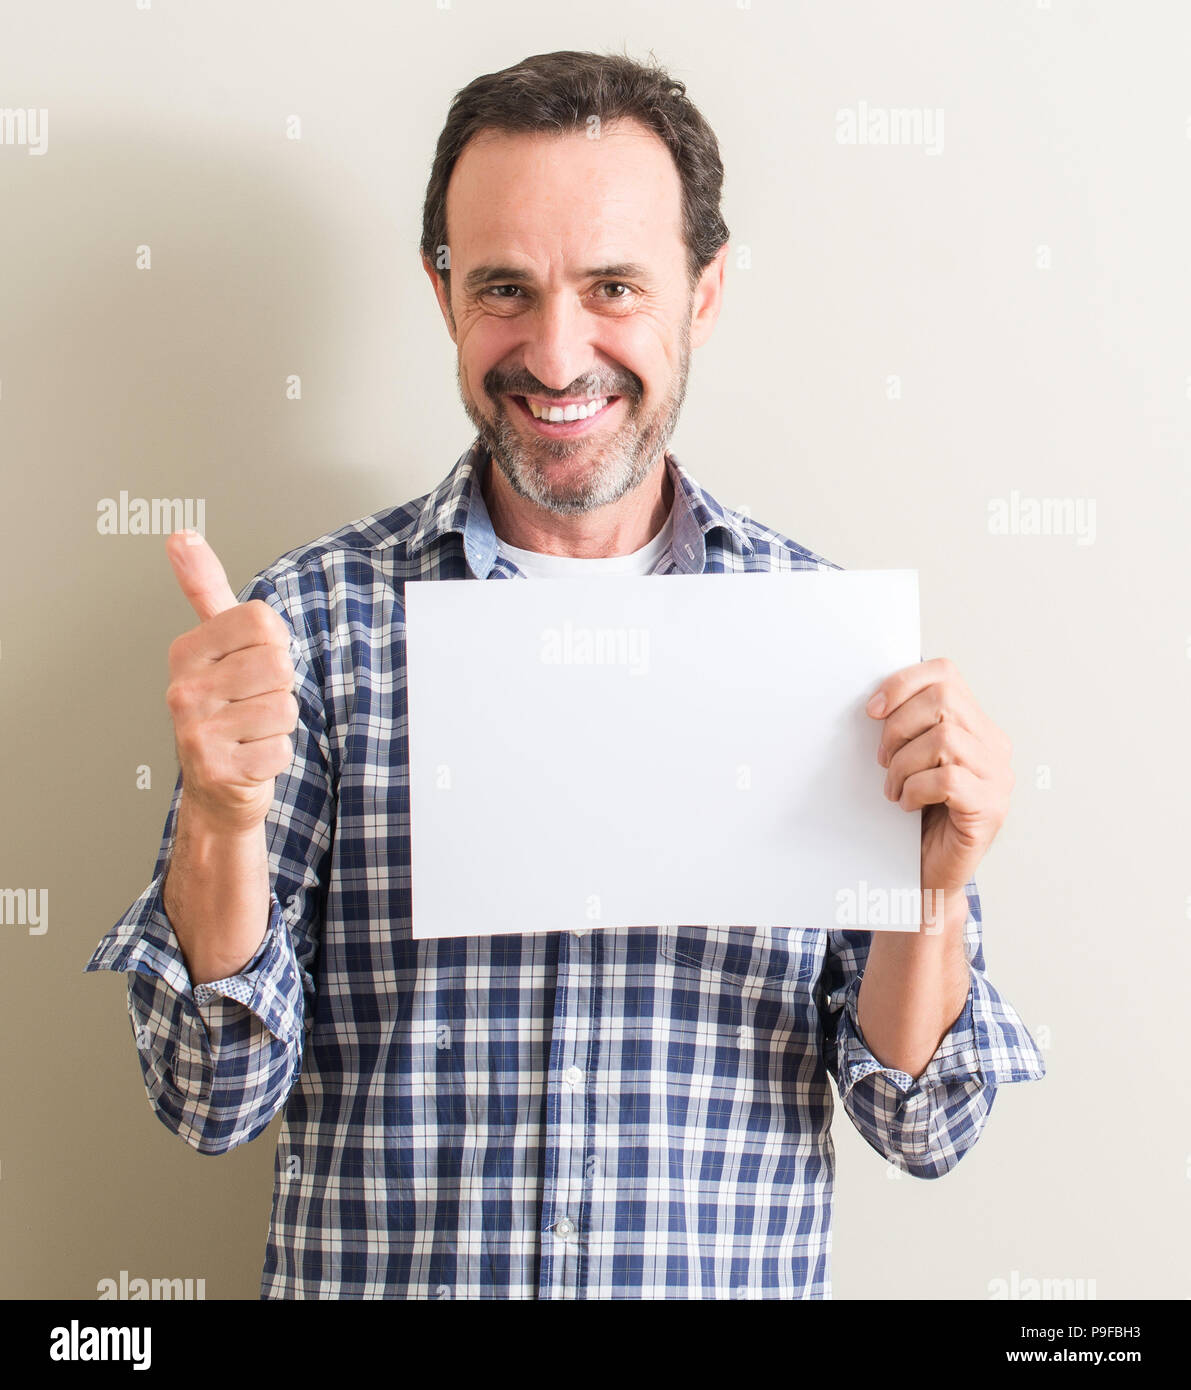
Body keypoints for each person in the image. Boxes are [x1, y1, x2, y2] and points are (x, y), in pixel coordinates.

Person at [86, 49, 1044, 1300]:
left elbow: (925, 1128)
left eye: (612, 286)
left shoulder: (826, 650)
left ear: (703, 291)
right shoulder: (307, 627)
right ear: (441, 292)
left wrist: (939, 889)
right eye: (503, 288)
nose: (554, 352)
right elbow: (207, 1099)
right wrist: (216, 819)